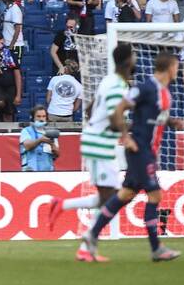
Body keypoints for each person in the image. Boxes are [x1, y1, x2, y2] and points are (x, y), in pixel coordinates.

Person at [80, 52, 184, 262]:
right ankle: (156, 248)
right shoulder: (146, 87)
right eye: (177, 66)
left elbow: (155, 117)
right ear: (170, 67)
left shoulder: (164, 92)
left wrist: (172, 122)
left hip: (149, 151)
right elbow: (119, 109)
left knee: (125, 195)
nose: (178, 70)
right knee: (155, 195)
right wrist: (126, 138)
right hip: (139, 150)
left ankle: (91, 235)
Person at [49, 42, 136, 260]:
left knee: (109, 196)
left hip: (98, 140)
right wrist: (126, 135)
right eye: (134, 56)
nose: (136, 59)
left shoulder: (109, 81)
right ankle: (87, 243)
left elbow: (89, 109)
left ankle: (68, 214)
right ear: (127, 61)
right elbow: (115, 118)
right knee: (114, 197)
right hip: (99, 142)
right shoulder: (117, 86)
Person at [20, 106, 59, 171]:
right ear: (32, 118)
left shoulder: (51, 132)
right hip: (30, 170)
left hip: (47, 170)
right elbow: (27, 146)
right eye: (38, 116)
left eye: (44, 116)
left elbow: (57, 154)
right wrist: (40, 140)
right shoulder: (26, 130)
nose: (41, 119)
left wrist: (52, 144)